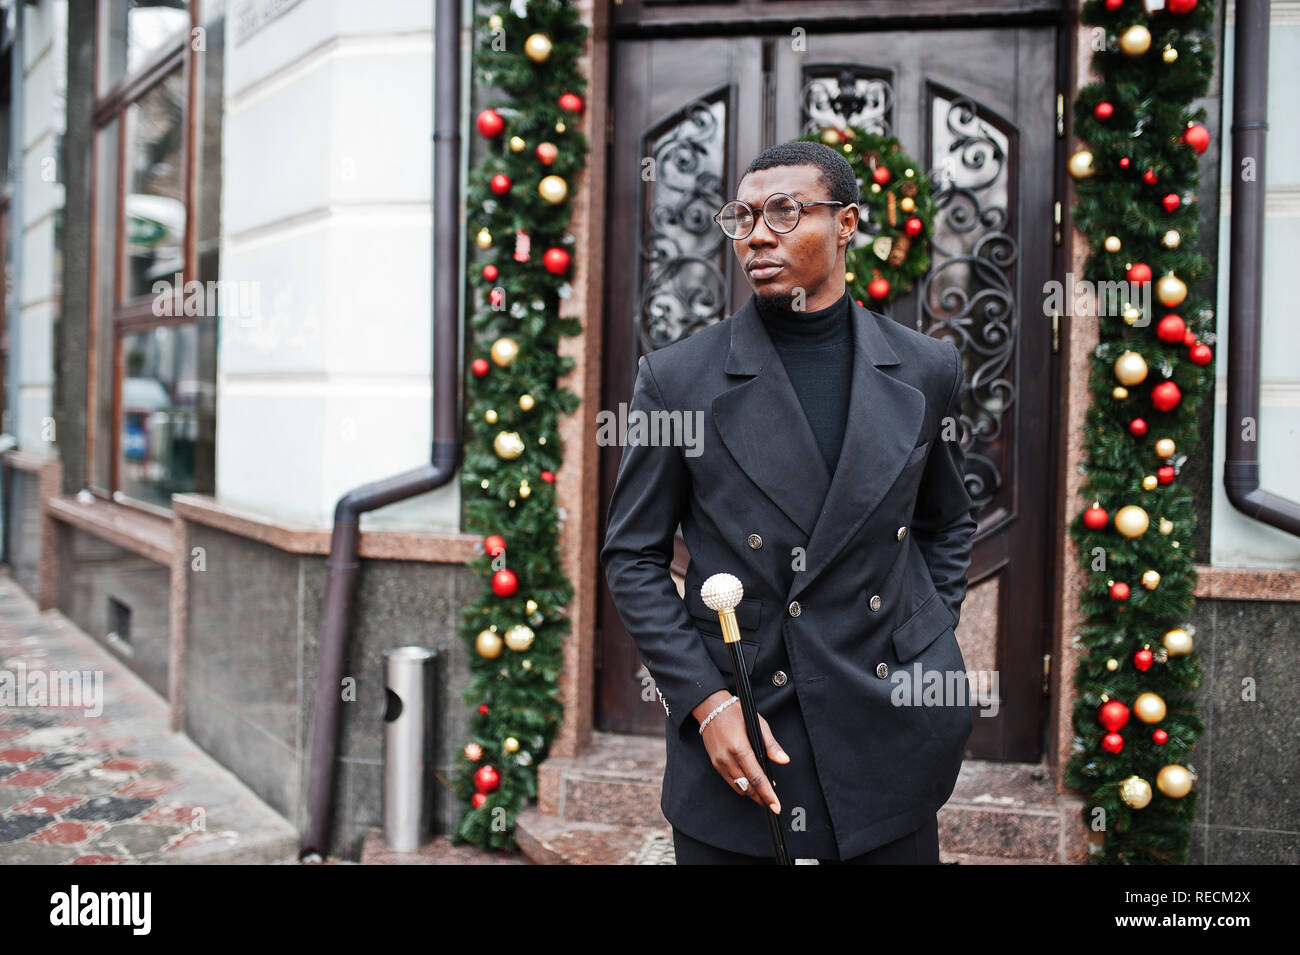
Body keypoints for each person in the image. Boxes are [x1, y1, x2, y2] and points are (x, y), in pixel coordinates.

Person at [599, 140, 977, 864]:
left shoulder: (926, 368)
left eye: (783, 211)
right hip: (746, 729)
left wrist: (922, 638)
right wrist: (705, 702)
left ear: (847, 224)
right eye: (742, 216)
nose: (757, 233)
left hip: (889, 730)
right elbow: (632, 555)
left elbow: (946, 519)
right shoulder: (677, 378)